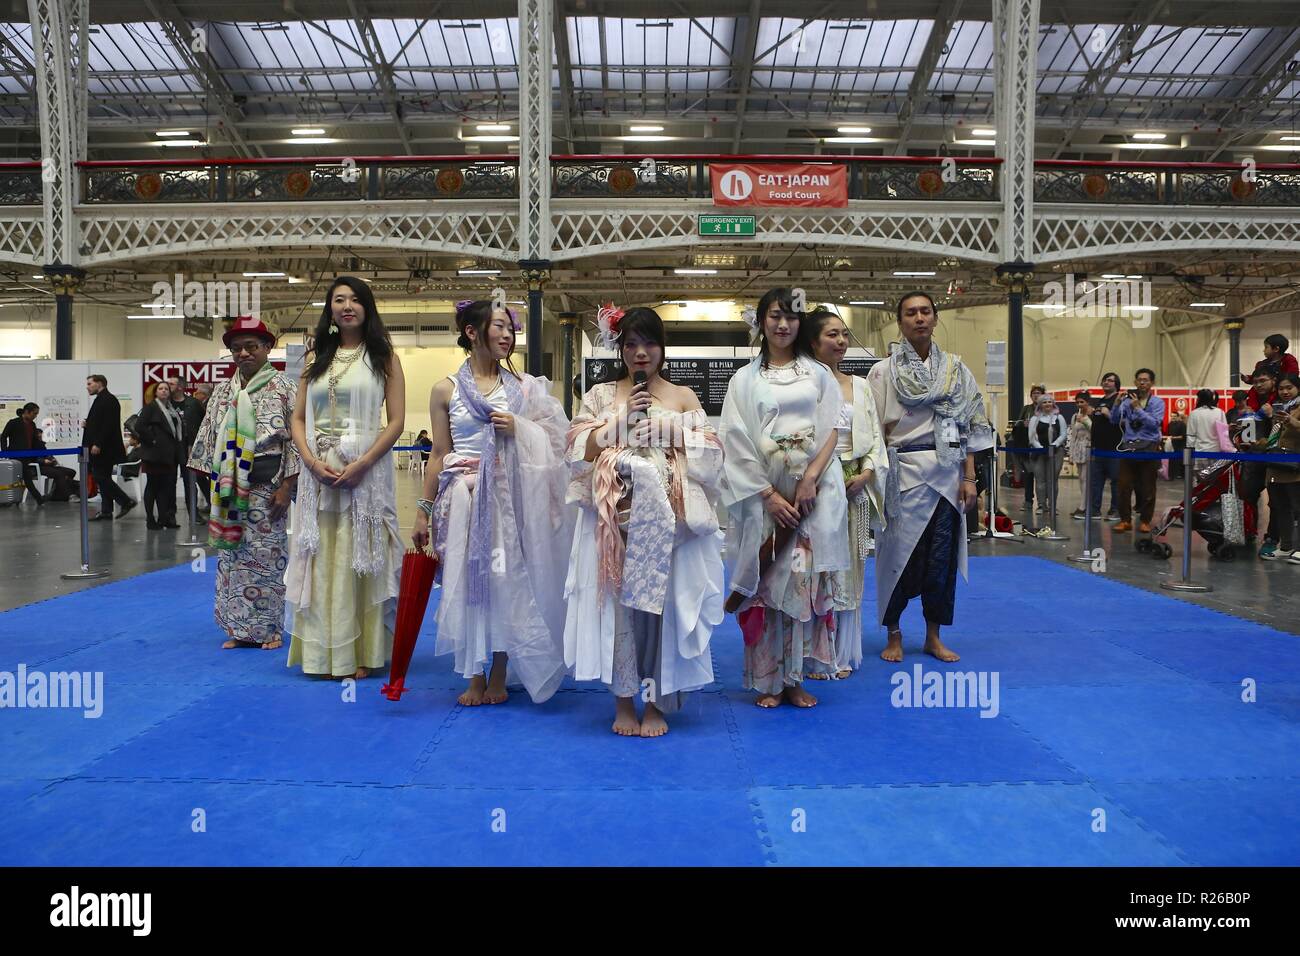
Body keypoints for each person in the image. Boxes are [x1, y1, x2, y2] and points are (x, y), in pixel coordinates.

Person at [565, 305, 724, 735]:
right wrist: (619, 423)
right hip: (614, 524)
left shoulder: (683, 395)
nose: (640, 353)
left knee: (660, 614)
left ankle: (655, 702)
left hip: (669, 528)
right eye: (631, 343)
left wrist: (670, 432)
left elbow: (713, 453)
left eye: (649, 342)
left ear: (662, 348)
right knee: (620, 615)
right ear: (619, 348)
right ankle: (622, 701)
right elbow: (576, 448)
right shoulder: (600, 394)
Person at [412, 300, 572, 707]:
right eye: (498, 327)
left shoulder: (522, 389)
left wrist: (520, 427)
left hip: (504, 500)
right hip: (460, 502)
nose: (507, 336)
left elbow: (557, 442)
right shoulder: (444, 389)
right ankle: (473, 672)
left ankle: (499, 669)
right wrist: (423, 510)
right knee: (466, 586)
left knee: (505, 582)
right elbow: (438, 453)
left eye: (510, 329)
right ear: (471, 332)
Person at [720, 287, 850, 709]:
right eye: (774, 316)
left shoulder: (818, 374)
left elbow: (834, 428)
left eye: (791, 317)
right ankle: (767, 679)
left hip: (811, 497)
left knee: (801, 586)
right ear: (761, 321)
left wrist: (811, 477)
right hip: (764, 497)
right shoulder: (745, 379)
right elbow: (735, 440)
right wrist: (769, 494)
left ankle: (795, 677)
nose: (782, 324)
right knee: (767, 585)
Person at [285, 277, 405, 679]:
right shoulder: (315, 355)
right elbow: (298, 417)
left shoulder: (383, 355)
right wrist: (310, 461)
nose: (347, 306)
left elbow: (396, 422)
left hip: (365, 475)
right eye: (339, 299)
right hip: (317, 474)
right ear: (330, 308)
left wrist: (364, 464)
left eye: (355, 299)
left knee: (359, 557)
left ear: (367, 307)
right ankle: (321, 656)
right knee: (321, 558)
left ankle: (359, 654)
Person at [868, 292, 992, 664]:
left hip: (947, 471)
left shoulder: (957, 370)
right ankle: (894, 634)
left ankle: (933, 636)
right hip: (901, 471)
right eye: (911, 313)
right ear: (900, 322)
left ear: (936, 319)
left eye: (925, 311)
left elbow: (972, 424)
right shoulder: (883, 371)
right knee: (897, 557)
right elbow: (873, 429)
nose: (919, 318)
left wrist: (969, 478)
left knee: (940, 559)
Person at [189, 316, 299, 650]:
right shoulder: (223, 391)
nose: (244, 354)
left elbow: (295, 440)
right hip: (229, 487)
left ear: (268, 347)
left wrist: (287, 487)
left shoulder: (285, 389)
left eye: (252, 347)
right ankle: (240, 628)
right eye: (237, 348)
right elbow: (207, 439)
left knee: (268, 557)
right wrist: (212, 488)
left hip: (268, 485)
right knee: (233, 558)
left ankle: (271, 630)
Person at [803, 308, 886, 679]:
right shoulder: (803, 385)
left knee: (850, 569)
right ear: (813, 342)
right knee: (814, 569)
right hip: (816, 486)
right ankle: (809, 653)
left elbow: (876, 441)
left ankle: (840, 653)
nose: (840, 342)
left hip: (855, 489)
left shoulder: (862, 386)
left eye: (843, 335)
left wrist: (867, 473)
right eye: (831, 335)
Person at [1110, 368, 1165, 534]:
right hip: (1129, 446)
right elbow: (1114, 420)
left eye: (1146, 380)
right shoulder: (1127, 402)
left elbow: (1155, 423)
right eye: (1139, 380)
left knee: (1148, 486)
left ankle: (1145, 521)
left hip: (1149, 446)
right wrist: (1117, 404)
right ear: (1135, 383)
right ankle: (1125, 520)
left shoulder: (1157, 402)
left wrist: (1138, 409)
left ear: (1152, 383)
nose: (1142, 383)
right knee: (1123, 485)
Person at [1256, 373, 1300, 563]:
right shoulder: (1279, 410)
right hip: (1276, 468)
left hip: (1295, 469)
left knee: (1298, 509)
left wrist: (1292, 421)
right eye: (1281, 388)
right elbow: (1273, 439)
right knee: (1281, 508)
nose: (1285, 391)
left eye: (1289, 387)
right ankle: (1286, 546)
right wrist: (1254, 443)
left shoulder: (1295, 410)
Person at [81, 374, 134, 521]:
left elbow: (108, 426)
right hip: (102, 447)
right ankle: (106, 511)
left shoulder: (108, 400)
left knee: (100, 477)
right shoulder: (102, 399)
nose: (87, 386)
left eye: (90, 383)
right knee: (101, 477)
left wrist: (98, 443)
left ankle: (125, 501)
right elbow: (100, 422)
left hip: (104, 449)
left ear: (100, 384)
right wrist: (88, 423)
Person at [135, 380, 185, 529]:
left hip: (169, 454)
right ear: (155, 392)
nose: (164, 391)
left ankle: (164, 518)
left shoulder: (171, 409)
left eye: (166, 389)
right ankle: (150, 519)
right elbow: (139, 426)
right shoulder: (151, 408)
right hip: (154, 455)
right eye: (160, 389)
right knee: (152, 486)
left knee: (165, 488)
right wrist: (153, 440)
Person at [168, 375, 205, 518]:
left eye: (171, 384)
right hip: (170, 449)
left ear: (180, 387)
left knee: (190, 483)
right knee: (169, 483)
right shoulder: (165, 403)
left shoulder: (194, 404)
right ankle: (170, 515)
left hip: (188, 449)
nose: (167, 386)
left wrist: (197, 445)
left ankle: (194, 514)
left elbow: (203, 424)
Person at [1089, 372, 1124, 520]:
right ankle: (1095, 510)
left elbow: (1123, 422)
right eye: (1105, 380)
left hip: (1114, 449)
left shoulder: (1120, 400)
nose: (1106, 382)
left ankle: (1115, 510)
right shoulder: (1100, 401)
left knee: (1116, 482)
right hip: (1099, 449)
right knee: (1096, 482)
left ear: (1116, 384)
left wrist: (1109, 414)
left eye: (1110, 380)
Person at [1027, 393, 1067, 517]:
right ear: (1040, 405)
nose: (1047, 404)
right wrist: (1040, 448)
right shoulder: (1035, 419)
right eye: (1044, 402)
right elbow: (1032, 437)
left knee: (1053, 479)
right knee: (1040, 480)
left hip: (1056, 452)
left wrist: (1054, 445)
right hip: (1039, 453)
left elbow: (1063, 434)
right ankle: (1041, 505)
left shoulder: (1059, 418)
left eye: (1049, 402)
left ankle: (1052, 505)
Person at [2, 402, 46, 505]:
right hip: (16, 456)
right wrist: (5, 453)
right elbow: (3, 436)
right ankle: (39, 500)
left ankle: (37, 500)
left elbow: (34, 441)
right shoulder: (13, 423)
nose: (35, 416)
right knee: (26, 479)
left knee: (25, 478)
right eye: (34, 414)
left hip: (28, 456)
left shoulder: (32, 425)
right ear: (27, 412)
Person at [1013, 384, 1045, 511]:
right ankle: (1028, 500)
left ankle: (1043, 503)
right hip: (1027, 446)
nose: (1036, 395)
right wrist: (1023, 424)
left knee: (1042, 477)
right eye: (1034, 393)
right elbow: (1017, 424)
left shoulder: (1046, 408)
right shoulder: (1026, 409)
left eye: (1039, 393)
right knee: (1028, 475)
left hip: (1042, 446)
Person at [1186, 388, 1227, 479]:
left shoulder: (1194, 414)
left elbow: (1191, 437)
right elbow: (1224, 435)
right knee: (1215, 482)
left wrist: (1190, 454)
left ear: (1199, 399)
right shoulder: (1220, 412)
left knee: (1199, 482)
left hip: (1200, 454)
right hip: (1216, 453)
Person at [1068, 391, 1093, 519]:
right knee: (1081, 479)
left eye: (1082, 402)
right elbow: (1073, 436)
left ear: (1087, 402)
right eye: (1077, 402)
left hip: (1088, 447)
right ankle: (1083, 504)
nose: (1079, 404)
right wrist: (1071, 454)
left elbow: (1095, 431)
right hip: (1078, 448)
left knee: (1086, 478)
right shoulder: (1074, 416)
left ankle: (1084, 506)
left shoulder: (1092, 414)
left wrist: (1084, 422)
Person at [191, 384, 212, 511]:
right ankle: (211, 502)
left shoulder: (208, 406)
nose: (195, 394)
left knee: (202, 476)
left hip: (208, 446)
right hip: (205, 446)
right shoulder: (203, 405)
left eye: (197, 392)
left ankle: (212, 503)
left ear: (203, 394)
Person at [1168, 412, 1187, 481]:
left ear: (1178, 417)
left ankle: (1182, 475)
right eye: (1172, 416)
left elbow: (1183, 436)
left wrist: (1173, 438)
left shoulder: (1182, 424)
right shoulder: (1170, 424)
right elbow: (1169, 435)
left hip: (1181, 445)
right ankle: (1174, 474)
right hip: (1173, 445)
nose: (1173, 417)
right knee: (1173, 461)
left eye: (1175, 416)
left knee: (1180, 461)